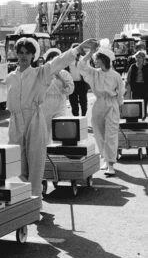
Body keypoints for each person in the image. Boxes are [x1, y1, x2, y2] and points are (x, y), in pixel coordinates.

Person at [6, 37, 97, 197]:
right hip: (15, 122)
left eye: (27, 53)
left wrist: (78, 49)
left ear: (33, 55)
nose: (24, 56)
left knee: (35, 163)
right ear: (16, 54)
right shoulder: (10, 77)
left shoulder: (40, 73)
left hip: (34, 119)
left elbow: (58, 62)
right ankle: (36, 188)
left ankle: (35, 199)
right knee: (17, 163)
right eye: (21, 52)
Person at [78, 39, 125, 175]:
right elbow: (82, 65)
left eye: (97, 59)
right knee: (99, 134)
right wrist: (90, 52)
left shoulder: (115, 76)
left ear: (104, 60)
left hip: (111, 105)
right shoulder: (95, 73)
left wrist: (120, 106)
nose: (95, 61)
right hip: (99, 105)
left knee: (110, 134)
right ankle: (105, 159)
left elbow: (120, 93)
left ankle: (111, 164)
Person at [41, 48, 74, 145]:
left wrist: (60, 77)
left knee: (59, 130)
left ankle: (59, 155)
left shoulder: (65, 73)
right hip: (45, 105)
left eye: (56, 60)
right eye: (51, 59)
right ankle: (46, 155)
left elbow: (70, 89)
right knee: (45, 133)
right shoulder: (42, 72)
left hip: (59, 105)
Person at [68, 43, 90, 116]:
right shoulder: (69, 60)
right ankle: (76, 118)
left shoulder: (83, 59)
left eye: (78, 49)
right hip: (72, 83)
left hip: (82, 83)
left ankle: (83, 116)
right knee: (73, 103)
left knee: (83, 102)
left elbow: (88, 70)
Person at [125, 50, 148, 118]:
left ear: (143, 58)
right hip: (135, 87)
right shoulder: (132, 66)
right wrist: (126, 86)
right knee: (135, 101)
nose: (138, 59)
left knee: (144, 101)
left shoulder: (147, 66)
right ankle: (137, 116)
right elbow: (128, 77)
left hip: (145, 87)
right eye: (137, 57)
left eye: (140, 57)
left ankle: (143, 116)